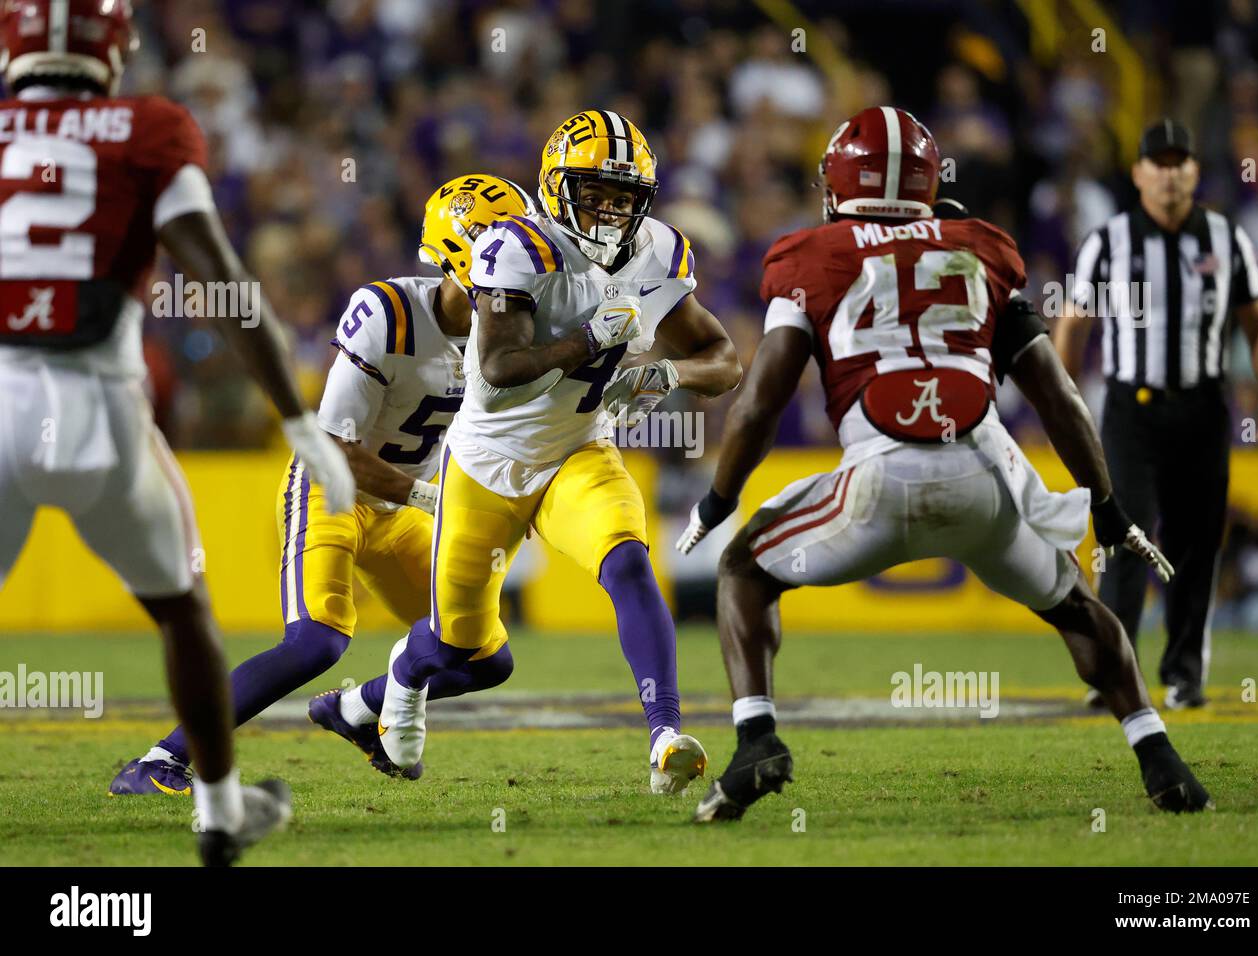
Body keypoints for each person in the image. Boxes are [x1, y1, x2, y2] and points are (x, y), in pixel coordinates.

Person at [677, 106, 1209, 822]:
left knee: (743, 569)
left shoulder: (810, 255)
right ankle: (1161, 759)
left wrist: (716, 501)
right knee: (1078, 608)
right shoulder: (978, 248)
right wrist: (1110, 513)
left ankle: (757, 740)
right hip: (983, 480)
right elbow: (1060, 398)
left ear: (837, 184)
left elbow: (758, 406)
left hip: (879, 478)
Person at [0, 0, 355, 864]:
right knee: (182, 610)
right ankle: (220, 810)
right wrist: (300, 420)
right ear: (114, 48)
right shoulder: (148, 126)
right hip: (100, 406)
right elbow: (222, 279)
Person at [109, 174, 534, 792]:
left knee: (486, 656)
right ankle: (162, 758)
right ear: (457, 256)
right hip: (331, 489)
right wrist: (428, 497)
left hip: (400, 507)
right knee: (316, 642)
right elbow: (333, 445)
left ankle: (358, 709)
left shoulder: (515, 336)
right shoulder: (388, 313)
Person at [365, 110, 742, 793]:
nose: (607, 209)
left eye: (621, 196)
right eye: (593, 193)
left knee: (629, 562)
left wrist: (667, 373)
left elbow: (724, 360)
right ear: (555, 188)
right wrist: (591, 339)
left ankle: (664, 735)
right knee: (456, 643)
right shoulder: (516, 248)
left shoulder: (657, 252)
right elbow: (499, 369)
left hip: (579, 450)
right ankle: (402, 674)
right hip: (485, 463)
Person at [1053, 119, 1258, 709]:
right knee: (1124, 536)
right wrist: (1062, 401)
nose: (1168, 173)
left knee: (1196, 542)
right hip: (1130, 409)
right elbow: (1073, 324)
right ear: (1138, 174)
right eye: (1156, 163)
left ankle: (1185, 673)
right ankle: (1118, 673)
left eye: (1178, 161)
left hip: (1204, 408)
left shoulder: (1225, 237)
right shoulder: (1107, 240)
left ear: (1194, 170)